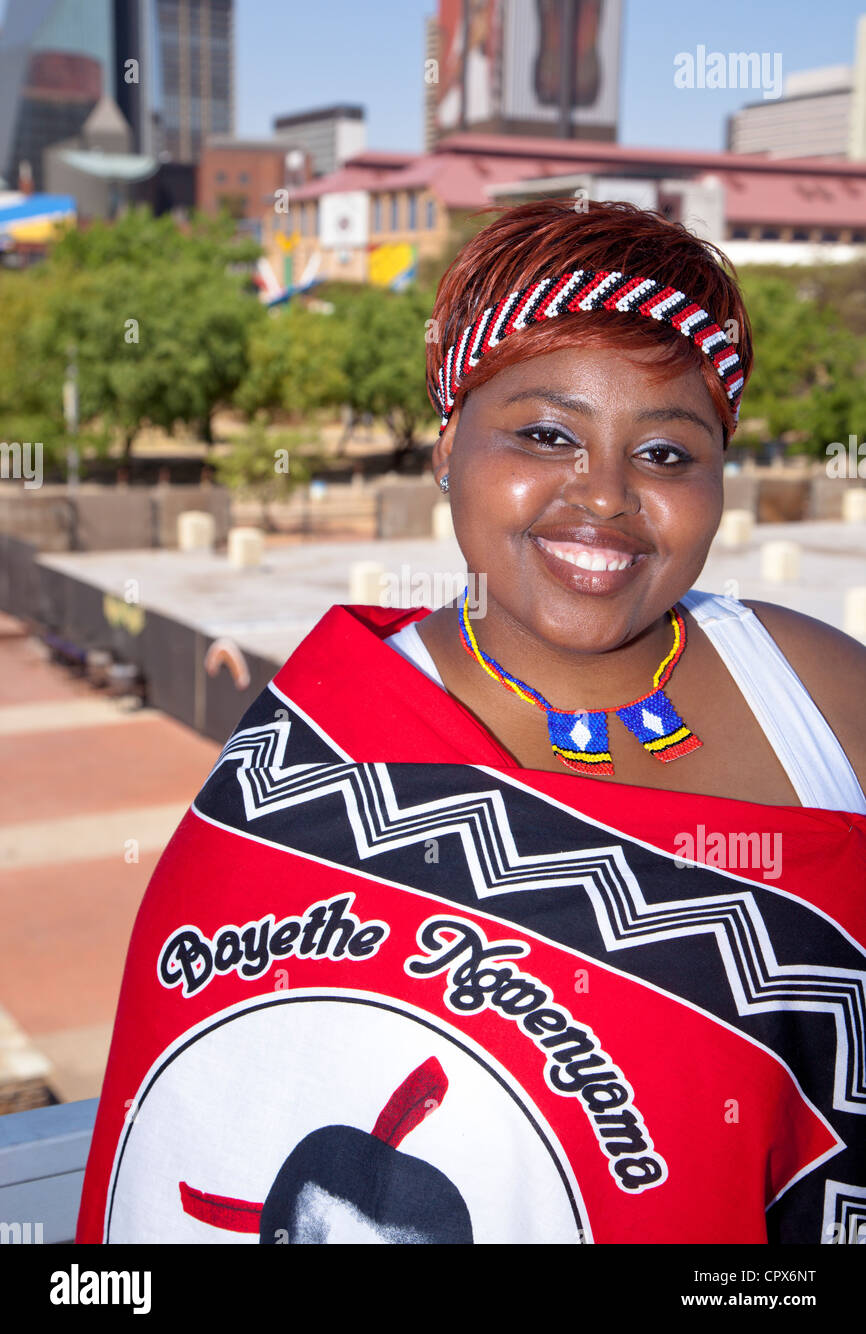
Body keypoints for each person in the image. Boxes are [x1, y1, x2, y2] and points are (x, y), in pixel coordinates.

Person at [77, 200, 866, 1246]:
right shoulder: (312, 750)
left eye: (668, 454)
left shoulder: (815, 695)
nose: (606, 498)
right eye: (545, 434)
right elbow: (196, 1125)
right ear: (447, 446)